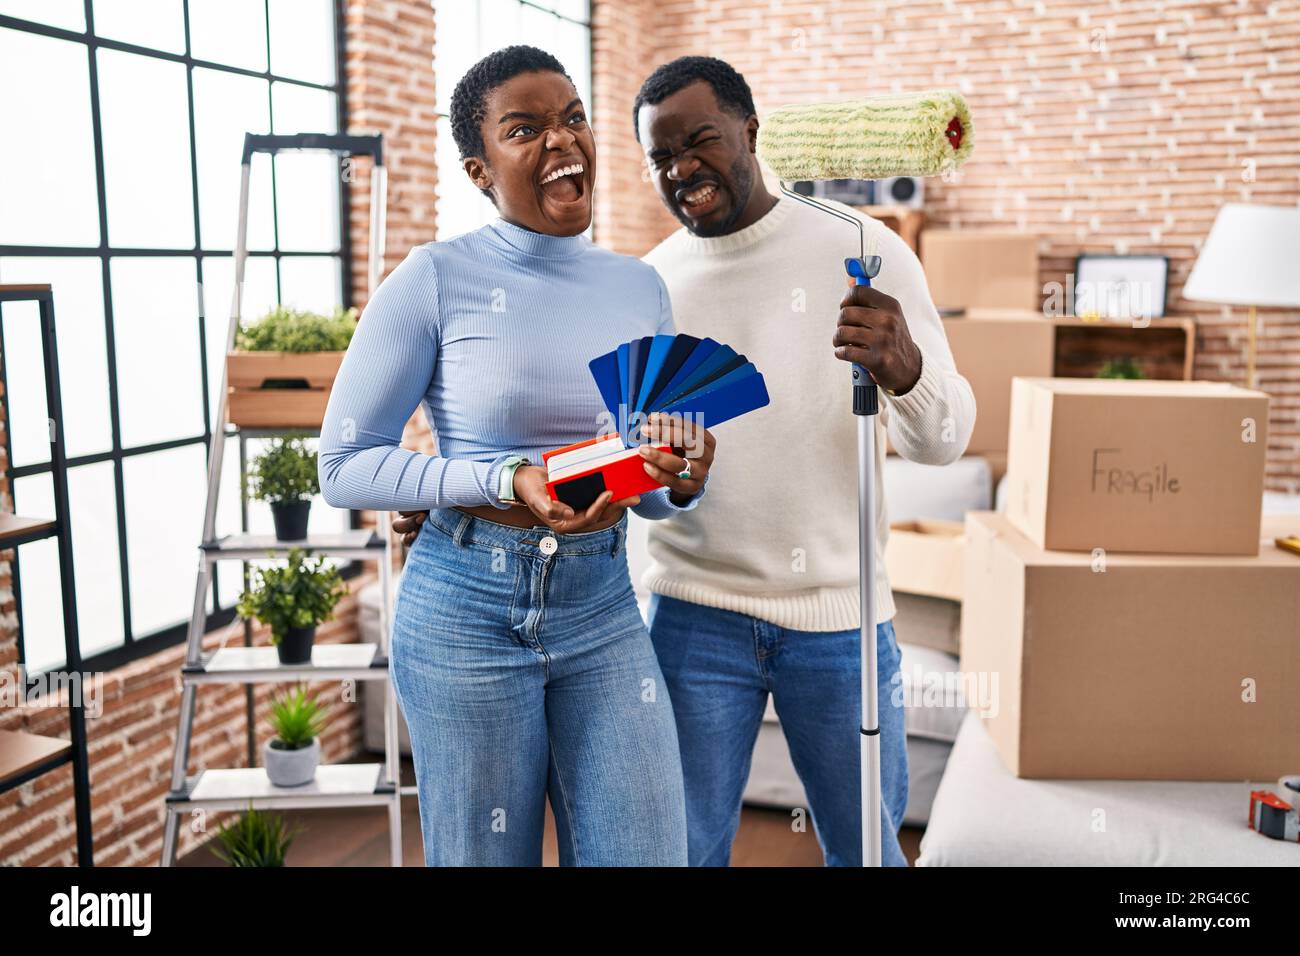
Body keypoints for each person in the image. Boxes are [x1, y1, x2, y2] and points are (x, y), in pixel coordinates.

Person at [395, 55, 974, 868]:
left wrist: (905, 371)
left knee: (869, 852)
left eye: (699, 142)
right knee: (682, 853)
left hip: (841, 619)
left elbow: (942, 441)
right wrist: (458, 493)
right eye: (660, 157)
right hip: (692, 615)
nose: (682, 170)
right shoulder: (649, 283)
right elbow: (604, 450)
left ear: (751, 132)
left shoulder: (865, 252)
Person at [318, 45, 716, 867]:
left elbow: (642, 481)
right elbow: (345, 464)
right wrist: (501, 475)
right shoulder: (433, 279)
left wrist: (676, 475)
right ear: (480, 168)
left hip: (601, 603)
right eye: (525, 128)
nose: (561, 140)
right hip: (467, 609)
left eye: (572, 118)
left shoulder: (638, 287)